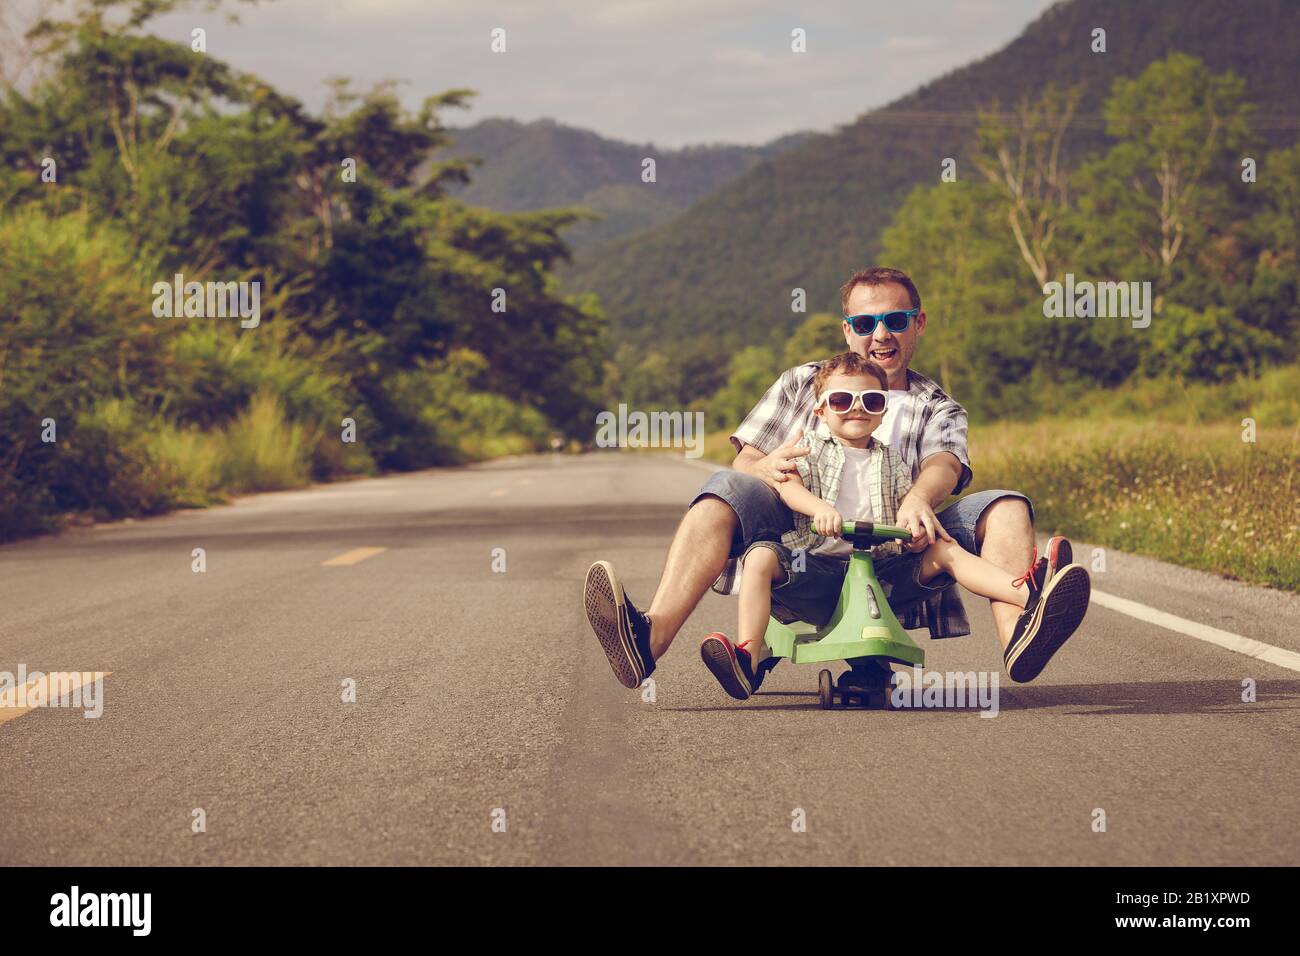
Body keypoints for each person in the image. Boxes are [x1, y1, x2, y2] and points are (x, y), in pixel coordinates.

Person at [582, 265, 1091, 693]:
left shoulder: (937, 406)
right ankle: (647, 641)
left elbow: (946, 464)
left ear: (919, 324)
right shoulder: (805, 383)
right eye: (867, 322)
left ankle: (1024, 630)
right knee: (725, 487)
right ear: (848, 329)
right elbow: (748, 461)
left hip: (900, 562)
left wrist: (917, 498)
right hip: (804, 557)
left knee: (1007, 504)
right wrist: (769, 472)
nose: (881, 334)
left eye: (895, 320)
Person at [696, 350, 1089, 699]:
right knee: (761, 556)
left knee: (943, 548)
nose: (856, 408)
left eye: (871, 400)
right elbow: (788, 486)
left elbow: (907, 504)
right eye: (841, 399)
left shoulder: (892, 462)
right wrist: (818, 509)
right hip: (816, 569)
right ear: (820, 410)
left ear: (883, 409)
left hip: (882, 571)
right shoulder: (810, 448)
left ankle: (1030, 597)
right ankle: (747, 655)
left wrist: (915, 527)